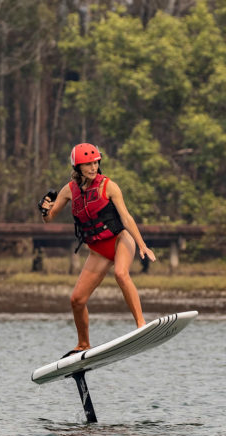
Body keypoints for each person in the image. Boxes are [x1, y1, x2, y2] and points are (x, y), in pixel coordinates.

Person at [38, 143, 156, 355]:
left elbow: (126, 218)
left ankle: (141, 325)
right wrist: (45, 210)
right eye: (88, 164)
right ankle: (83, 344)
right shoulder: (69, 190)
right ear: (77, 167)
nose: (93, 167)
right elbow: (49, 218)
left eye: (95, 162)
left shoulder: (108, 186)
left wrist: (142, 245)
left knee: (121, 274)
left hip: (121, 239)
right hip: (98, 250)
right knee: (77, 300)